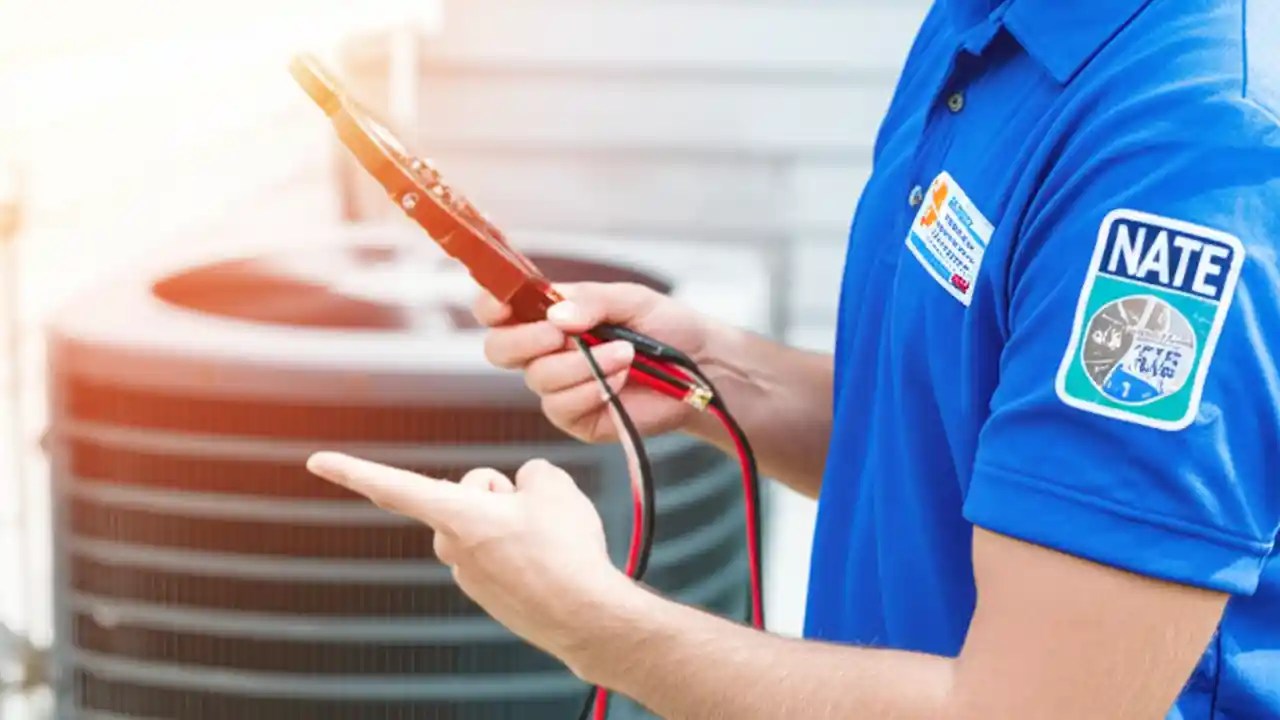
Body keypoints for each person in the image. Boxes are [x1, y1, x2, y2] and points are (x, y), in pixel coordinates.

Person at [306, 0, 1280, 716]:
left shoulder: (1187, 159)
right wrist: (715, 374)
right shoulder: (984, 28)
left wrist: (587, 620)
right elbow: (966, 448)